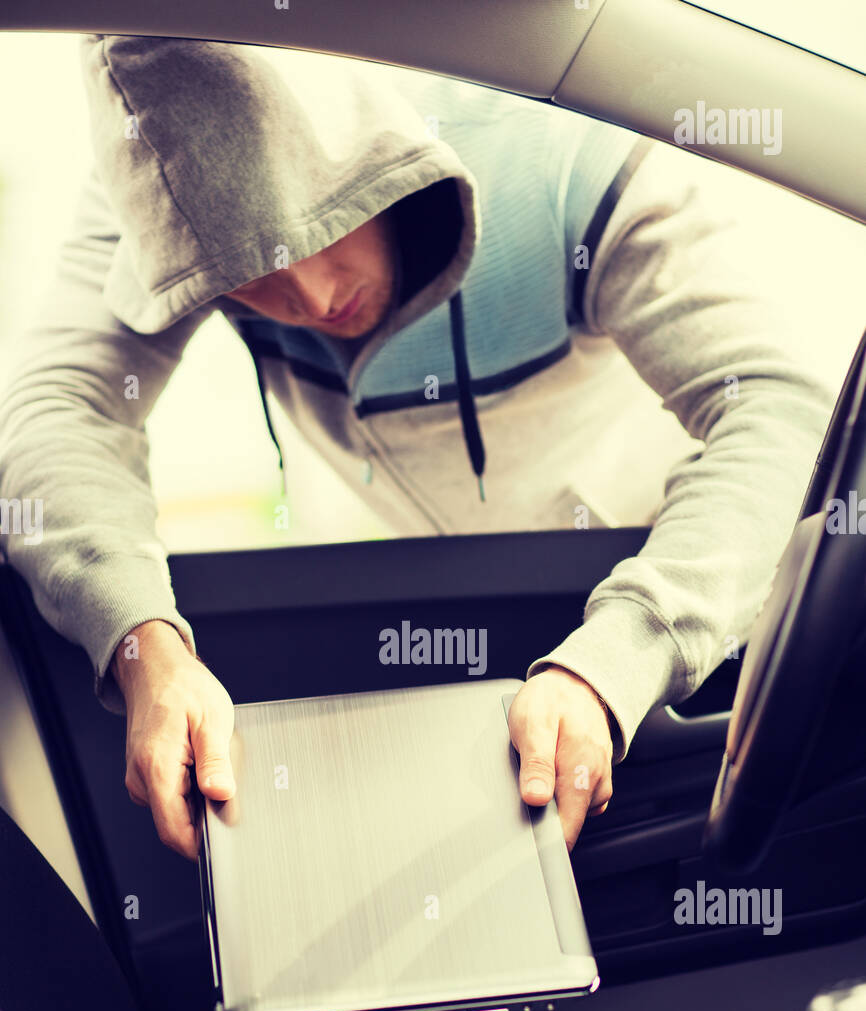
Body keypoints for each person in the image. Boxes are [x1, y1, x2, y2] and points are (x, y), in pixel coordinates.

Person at [0, 36, 834, 858]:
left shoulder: (568, 152)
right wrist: (142, 646)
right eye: (254, 276)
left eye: (322, 226)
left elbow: (780, 409)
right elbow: (57, 413)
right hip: (457, 610)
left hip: (693, 602)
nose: (316, 296)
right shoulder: (156, 195)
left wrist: (620, 655)